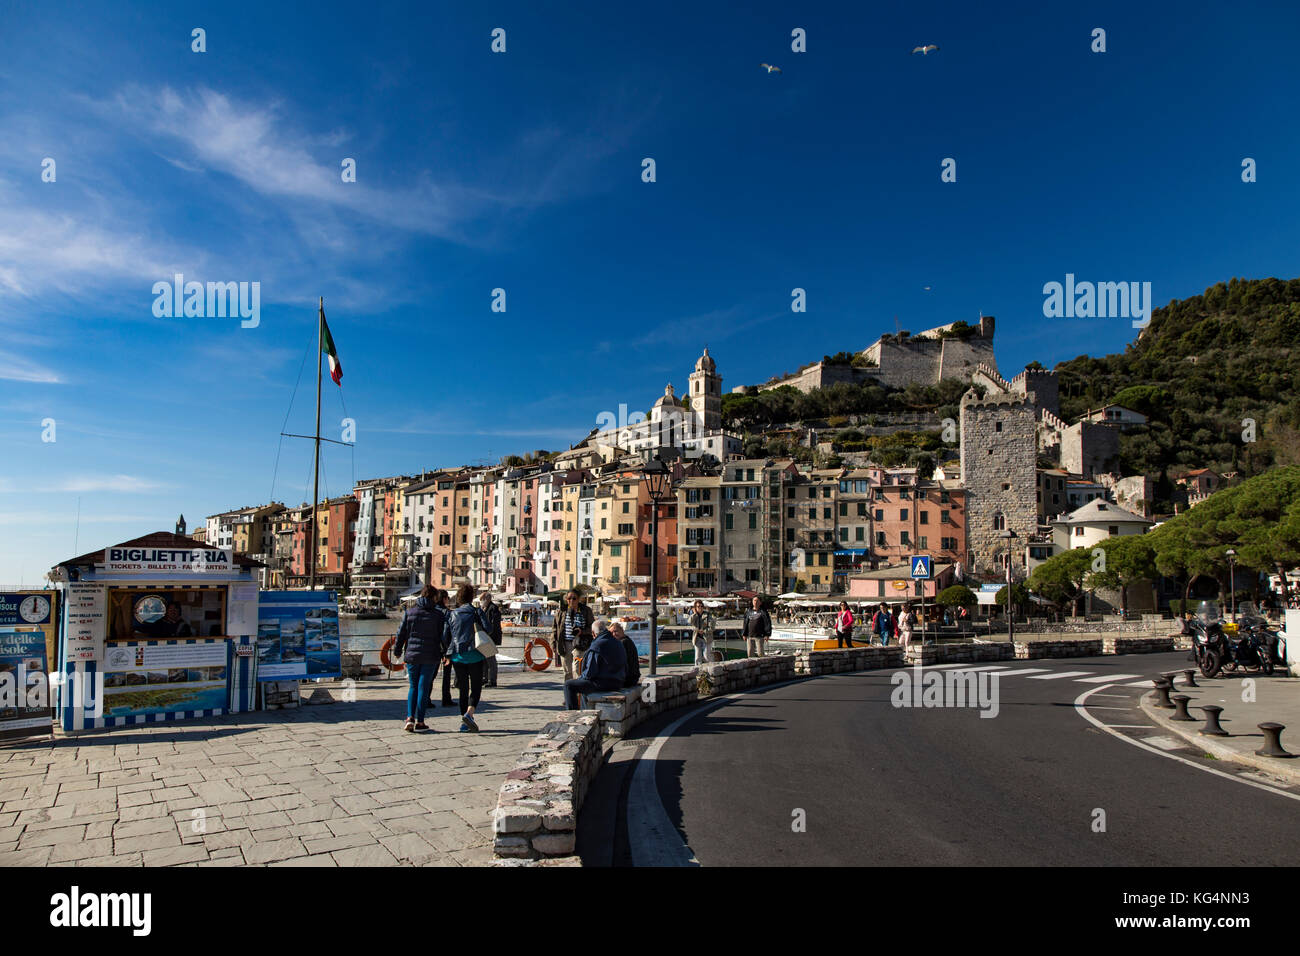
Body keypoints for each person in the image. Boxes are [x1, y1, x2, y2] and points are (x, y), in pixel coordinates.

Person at [393, 584, 447, 732]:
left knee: (413, 686)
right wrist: (446, 654)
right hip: (430, 655)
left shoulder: (410, 612)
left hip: (412, 655)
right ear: (434, 597)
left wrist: (397, 651)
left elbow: (401, 634)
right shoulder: (438, 615)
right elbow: (443, 637)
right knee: (423, 687)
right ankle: (421, 721)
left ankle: (410, 717)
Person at [443, 584, 487, 732]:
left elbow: (445, 636)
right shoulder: (476, 612)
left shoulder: (452, 614)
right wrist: (481, 610)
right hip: (475, 654)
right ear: (471, 597)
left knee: (462, 689)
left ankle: (464, 721)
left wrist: (446, 653)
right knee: (475, 687)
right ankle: (469, 713)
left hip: (457, 655)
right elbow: (489, 628)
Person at [563, 616, 626, 710]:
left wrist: (580, 679)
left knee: (568, 685)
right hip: (618, 682)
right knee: (583, 688)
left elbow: (590, 673)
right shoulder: (618, 643)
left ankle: (573, 715)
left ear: (593, 633)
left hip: (603, 683)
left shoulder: (597, 645)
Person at [552, 590, 594, 680]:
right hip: (564, 644)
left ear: (578, 599)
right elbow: (555, 628)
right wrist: (553, 644)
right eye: (569, 598)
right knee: (567, 671)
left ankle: (579, 691)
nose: (571, 600)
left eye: (574, 598)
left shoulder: (586, 611)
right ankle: (569, 690)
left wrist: (581, 631)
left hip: (580, 643)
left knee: (578, 669)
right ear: (566, 600)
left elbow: (592, 626)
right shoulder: (561, 611)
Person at [479, 591, 503, 688]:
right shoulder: (485, 608)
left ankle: (492, 680)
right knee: (484, 659)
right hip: (485, 637)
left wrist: (489, 634)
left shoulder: (493, 609)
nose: (481, 601)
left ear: (488, 599)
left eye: (482, 599)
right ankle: (485, 678)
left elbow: (494, 625)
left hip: (490, 637)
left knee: (491, 660)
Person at [609, 621, 641, 687]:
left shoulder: (623, 643)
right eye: (611, 633)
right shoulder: (626, 640)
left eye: (616, 631)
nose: (614, 634)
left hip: (629, 679)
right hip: (632, 677)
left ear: (622, 630)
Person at [689, 599, 715, 666]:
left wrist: (703, 631)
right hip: (697, 638)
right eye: (698, 606)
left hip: (707, 638)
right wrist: (694, 614)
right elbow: (690, 622)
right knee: (697, 656)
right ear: (695, 607)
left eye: (701, 606)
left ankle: (711, 668)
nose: (700, 608)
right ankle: (697, 671)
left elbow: (712, 627)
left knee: (706, 655)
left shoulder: (708, 615)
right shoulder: (694, 616)